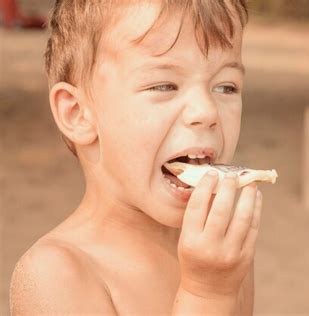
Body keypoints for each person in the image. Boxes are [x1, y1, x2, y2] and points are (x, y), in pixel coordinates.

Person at [9, 0, 263, 314]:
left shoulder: (222, 249)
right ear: (78, 114)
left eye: (226, 87)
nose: (206, 112)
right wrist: (208, 295)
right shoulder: (56, 274)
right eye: (164, 85)